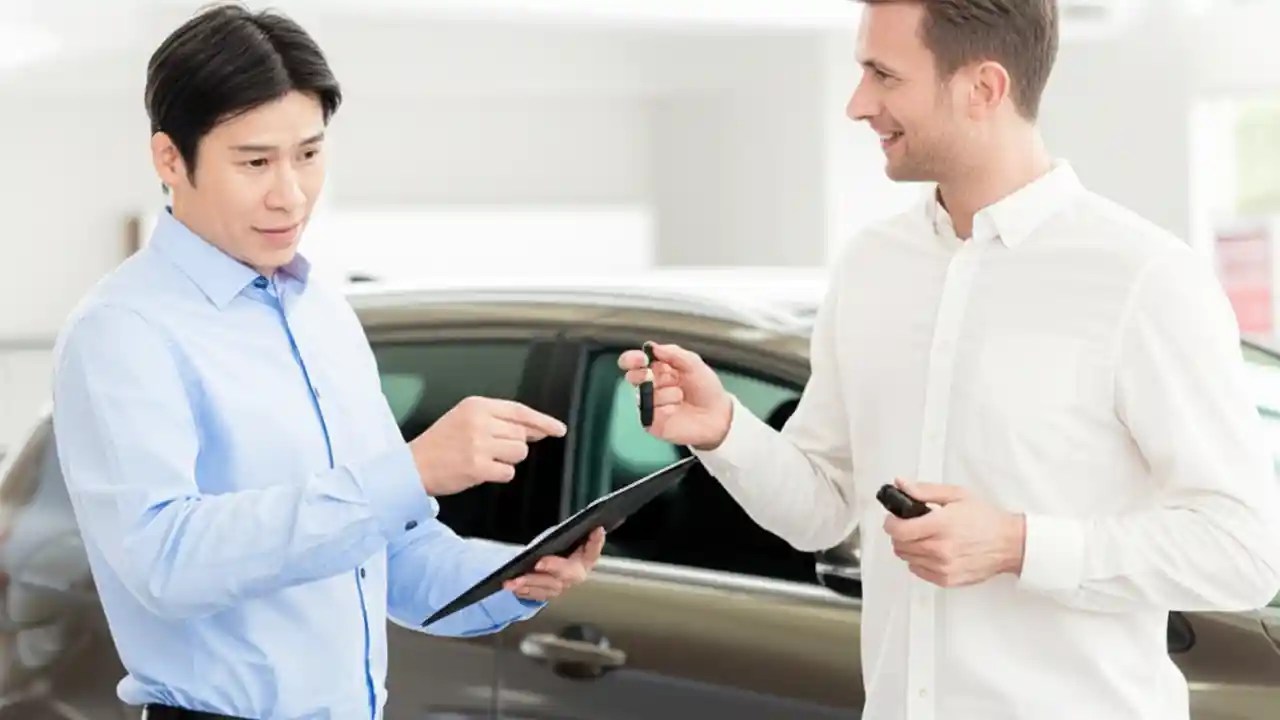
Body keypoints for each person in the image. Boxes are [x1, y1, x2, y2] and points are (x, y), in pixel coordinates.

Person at [620, 1, 1280, 718]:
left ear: (983, 88)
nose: (857, 104)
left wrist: (1017, 544)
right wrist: (724, 430)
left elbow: (1243, 551)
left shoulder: (1145, 278)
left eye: (884, 75)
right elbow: (821, 512)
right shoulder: (872, 266)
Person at [50, 4, 604, 719]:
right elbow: (165, 563)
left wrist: (512, 575)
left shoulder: (323, 315)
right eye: (255, 162)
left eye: (308, 155)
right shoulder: (122, 330)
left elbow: (392, 551)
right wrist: (410, 472)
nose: (290, 194)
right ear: (170, 159)